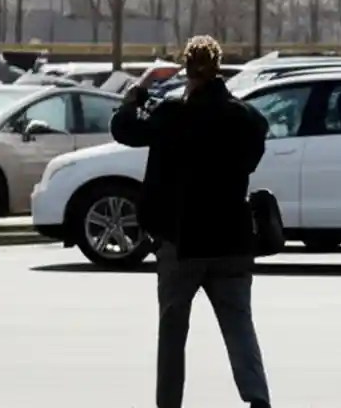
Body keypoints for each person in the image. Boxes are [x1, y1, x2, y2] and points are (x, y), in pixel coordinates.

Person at [110, 35, 272, 408]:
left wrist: (133, 99)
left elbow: (125, 130)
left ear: (186, 70)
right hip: (231, 240)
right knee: (239, 325)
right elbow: (255, 143)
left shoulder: (171, 116)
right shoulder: (244, 119)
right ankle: (257, 398)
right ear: (218, 68)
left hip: (180, 240)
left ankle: (169, 403)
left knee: (172, 331)